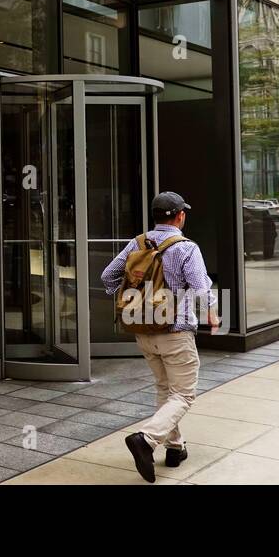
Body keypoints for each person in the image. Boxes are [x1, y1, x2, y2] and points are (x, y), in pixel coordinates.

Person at [101, 191, 219, 482]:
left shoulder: (137, 243)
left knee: (166, 389)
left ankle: (175, 447)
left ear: (155, 216)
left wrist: (135, 296)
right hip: (175, 331)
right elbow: (201, 289)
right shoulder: (186, 248)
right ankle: (147, 439)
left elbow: (107, 277)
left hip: (143, 330)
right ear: (180, 216)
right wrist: (213, 315)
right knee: (184, 394)